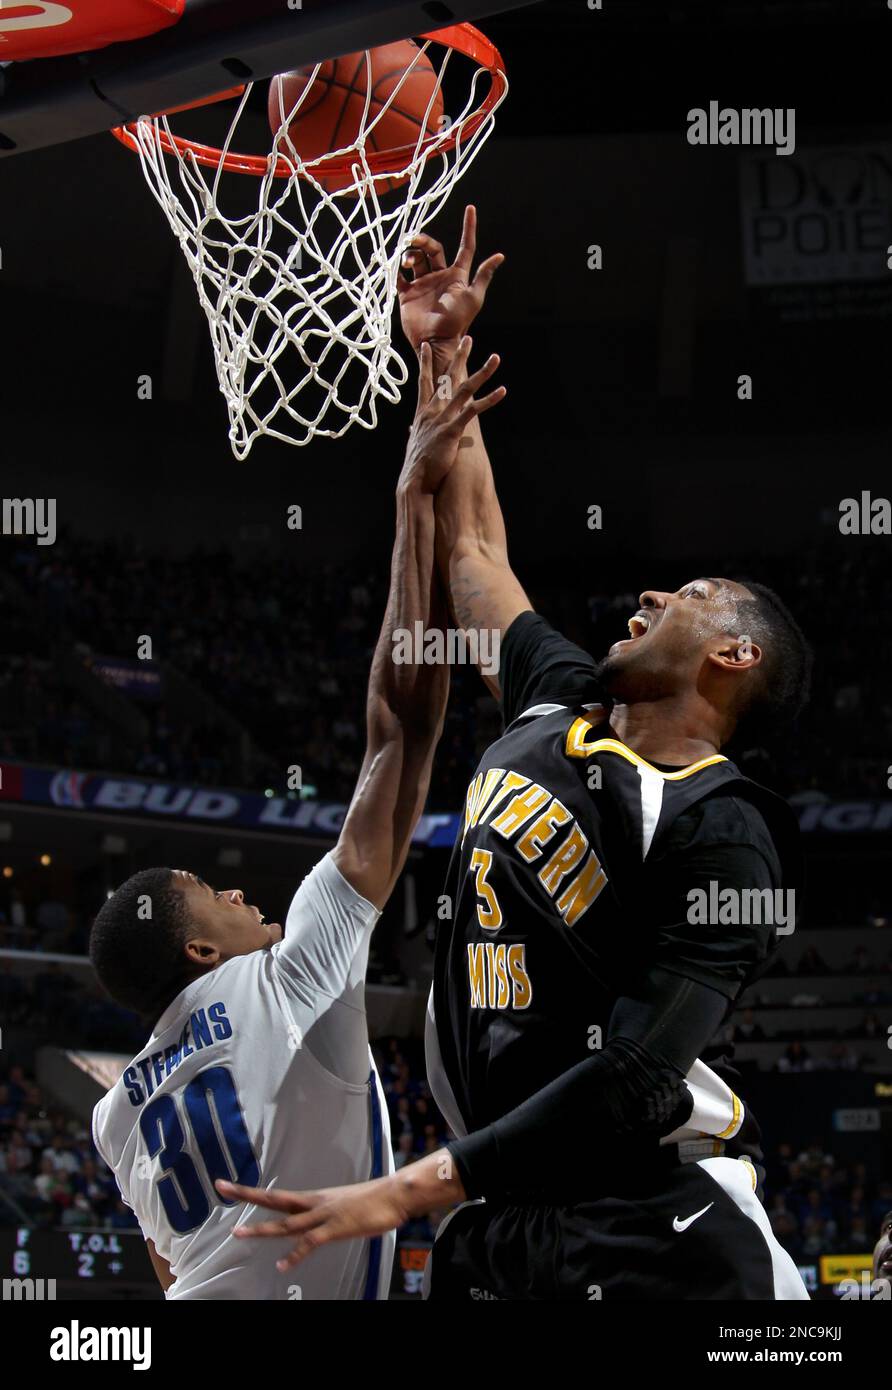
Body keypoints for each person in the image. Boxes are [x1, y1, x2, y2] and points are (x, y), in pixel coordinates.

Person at [219, 208, 809, 1301]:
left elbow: (634, 1075)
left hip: (652, 1220)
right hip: (498, 1224)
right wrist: (436, 352)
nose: (647, 596)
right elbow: (478, 550)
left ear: (733, 655)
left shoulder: (722, 830)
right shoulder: (557, 702)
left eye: (683, 597)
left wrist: (403, 1193)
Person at [89, 338, 505, 1300]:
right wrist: (413, 495)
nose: (237, 890)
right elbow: (397, 733)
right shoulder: (289, 976)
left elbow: (172, 1269)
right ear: (200, 953)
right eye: (209, 894)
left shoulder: (120, 1118)